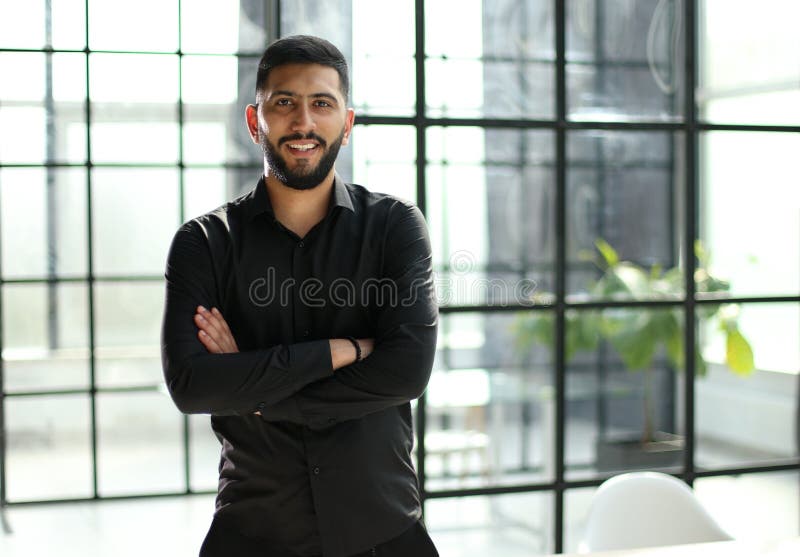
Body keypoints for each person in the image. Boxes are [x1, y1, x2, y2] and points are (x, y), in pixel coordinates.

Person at [160, 35, 439, 557]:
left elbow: (406, 373)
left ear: (347, 124)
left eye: (322, 104)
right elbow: (192, 385)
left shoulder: (395, 228)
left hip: (385, 534)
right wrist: (338, 352)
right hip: (251, 534)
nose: (303, 122)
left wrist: (251, 385)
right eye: (284, 102)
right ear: (254, 120)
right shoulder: (203, 243)